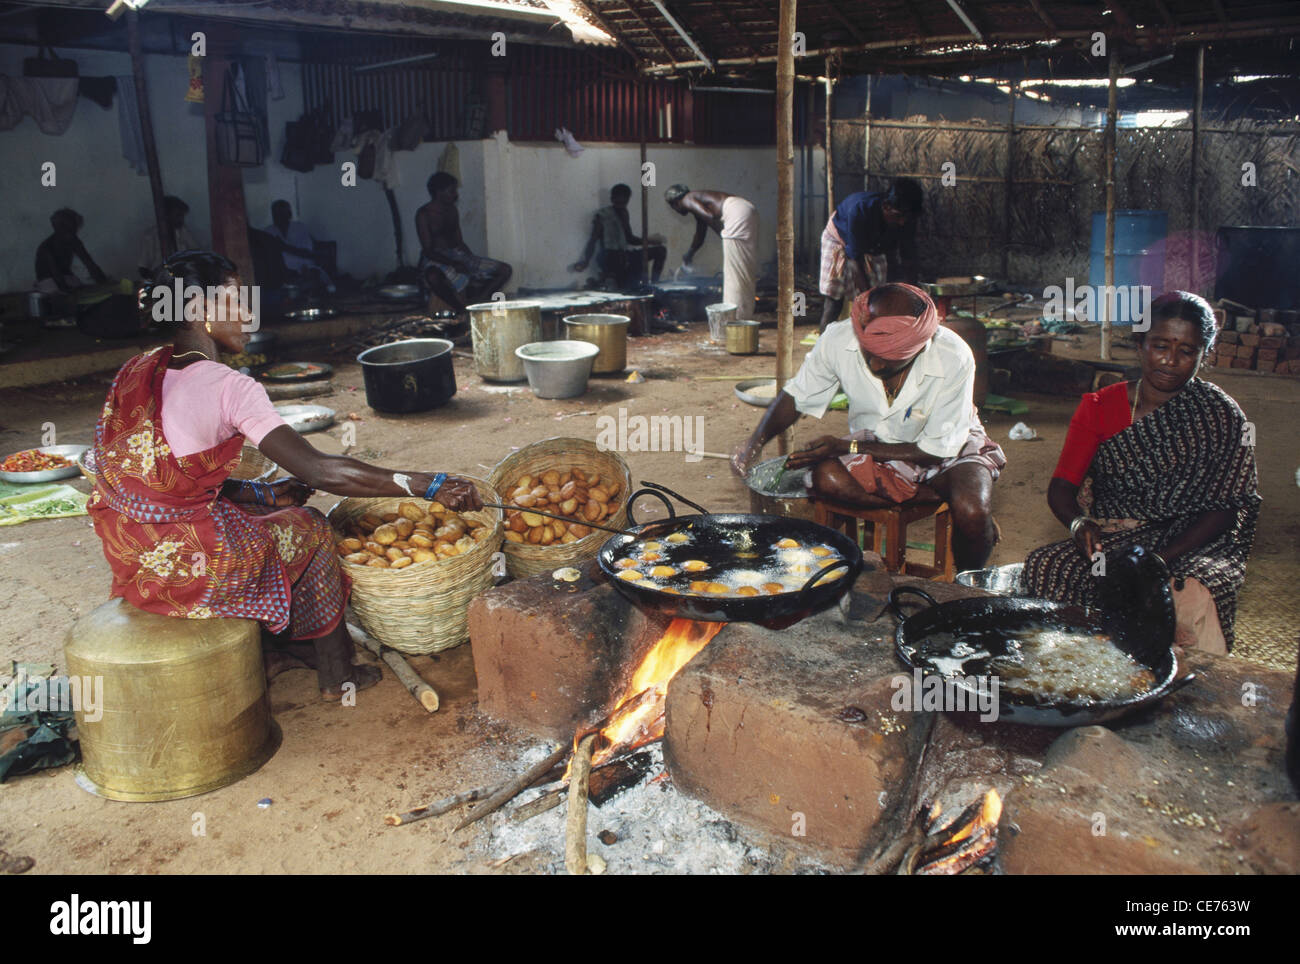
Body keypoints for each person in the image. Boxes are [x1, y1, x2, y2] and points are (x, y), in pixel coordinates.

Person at [86, 251, 484, 701]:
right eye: (235, 300)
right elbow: (321, 469)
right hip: (187, 568)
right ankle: (337, 672)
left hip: (131, 553)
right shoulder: (229, 386)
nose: (247, 314)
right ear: (198, 310)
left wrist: (263, 493)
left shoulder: (136, 370)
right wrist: (426, 483)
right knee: (311, 528)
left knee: (265, 511)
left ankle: (273, 645)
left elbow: (161, 479)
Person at [1023, 292, 1259, 654]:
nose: (1170, 360)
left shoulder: (1219, 414)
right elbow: (1061, 488)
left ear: (1203, 354)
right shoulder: (1101, 407)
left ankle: (1187, 687)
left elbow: (1227, 508)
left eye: (1187, 351)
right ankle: (1079, 664)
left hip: (1193, 539)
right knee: (1047, 566)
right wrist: (1078, 524)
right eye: (1160, 345)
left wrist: (1160, 559)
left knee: (1190, 594)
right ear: (1140, 344)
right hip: (1119, 536)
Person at [734, 283, 1004, 572]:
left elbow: (936, 451)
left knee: (973, 511)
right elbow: (797, 397)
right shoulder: (839, 339)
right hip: (877, 444)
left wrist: (845, 447)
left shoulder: (953, 355)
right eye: (868, 351)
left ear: (918, 345)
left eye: (888, 359)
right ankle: (932, 494)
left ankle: (966, 589)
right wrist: (754, 444)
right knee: (827, 480)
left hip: (948, 445)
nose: (874, 363)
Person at [818, 178, 923, 332]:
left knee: (881, 296)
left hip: (873, 247)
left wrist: (914, 295)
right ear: (886, 207)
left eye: (907, 218)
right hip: (838, 240)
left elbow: (908, 257)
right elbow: (855, 259)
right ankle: (823, 344)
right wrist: (869, 299)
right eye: (899, 216)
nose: (902, 222)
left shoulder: (906, 218)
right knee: (835, 299)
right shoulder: (860, 210)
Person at [416, 172, 511, 314]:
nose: (456, 194)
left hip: (457, 255)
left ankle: (478, 303)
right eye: (452, 191)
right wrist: (454, 264)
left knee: (505, 270)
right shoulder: (423, 214)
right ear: (439, 192)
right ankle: (460, 308)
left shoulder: (452, 211)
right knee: (432, 277)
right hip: (435, 259)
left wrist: (469, 261)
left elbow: (459, 241)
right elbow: (428, 251)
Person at [664, 185, 759, 321]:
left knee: (734, 274)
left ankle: (735, 319)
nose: (676, 211)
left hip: (735, 213)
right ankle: (744, 314)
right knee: (743, 268)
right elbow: (700, 235)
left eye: (673, 207)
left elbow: (710, 216)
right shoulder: (697, 199)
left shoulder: (687, 199)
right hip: (745, 208)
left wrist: (724, 235)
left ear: (676, 202)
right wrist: (690, 254)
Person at [569, 183, 666, 290]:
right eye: (618, 202)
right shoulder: (602, 215)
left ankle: (654, 283)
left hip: (625, 256)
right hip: (609, 258)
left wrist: (650, 241)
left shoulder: (624, 213)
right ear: (612, 199)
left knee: (660, 251)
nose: (621, 205)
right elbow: (593, 240)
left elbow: (630, 239)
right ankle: (610, 279)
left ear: (628, 200)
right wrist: (585, 261)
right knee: (628, 283)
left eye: (624, 202)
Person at [263, 199, 335, 292]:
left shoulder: (299, 227)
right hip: (281, 272)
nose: (278, 217)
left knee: (315, 278)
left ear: (289, 214)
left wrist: (284, 247)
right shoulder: (268, 231)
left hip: (305, 269)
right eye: (275, 214)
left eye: (282, 213)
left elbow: (307, 253)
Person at [34, 208, 108, 294]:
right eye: (67, 229)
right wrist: (68, 291)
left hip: (67, 279)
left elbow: (89, 264)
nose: (72, 233)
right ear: (57, 228)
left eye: (73, 229)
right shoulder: (47, 247)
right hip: (48, 282)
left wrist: (105, 283)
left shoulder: (74, 241)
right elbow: (56, 275)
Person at [138, 196, 200, 279]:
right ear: (166, 215)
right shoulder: (150, 237)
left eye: (182, 216)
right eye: (178, 215)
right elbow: (143, 268)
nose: (181, 219)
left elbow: (197, 254)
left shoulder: (183, 232)